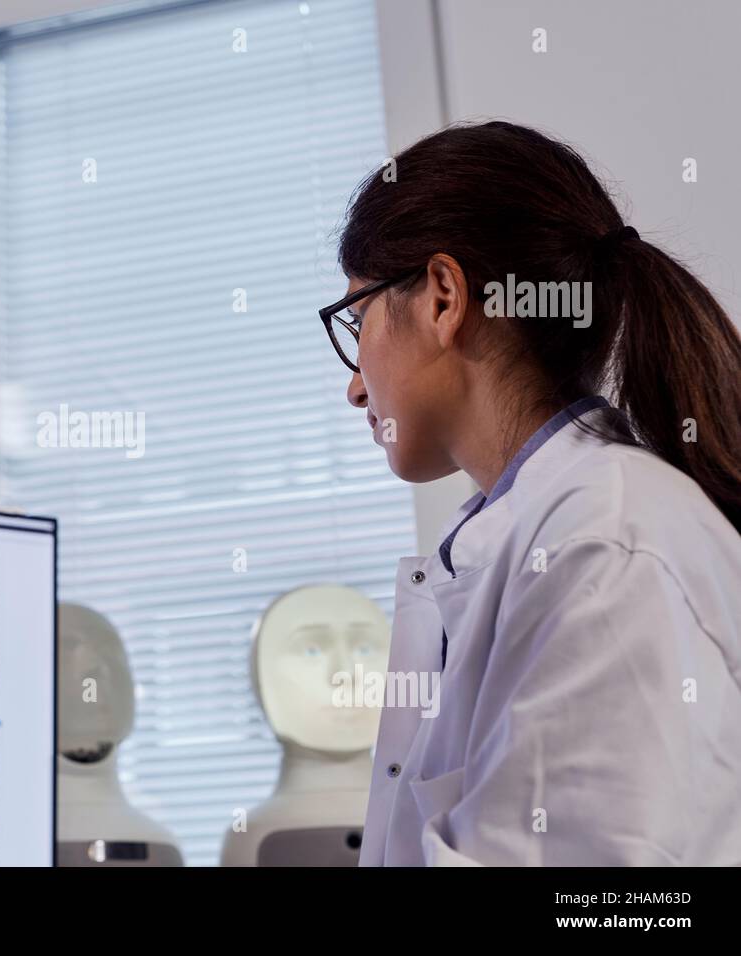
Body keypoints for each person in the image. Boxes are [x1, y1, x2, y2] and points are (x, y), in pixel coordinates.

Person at [317, 120, 741, 865]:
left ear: (443, 297)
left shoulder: (605, 545)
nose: (356, 387)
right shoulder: (540, 536)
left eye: (358, 322)